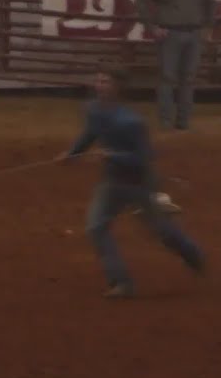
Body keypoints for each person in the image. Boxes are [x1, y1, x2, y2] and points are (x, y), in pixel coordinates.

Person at [58, 67, 205, 299]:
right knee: (96, 228)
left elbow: (144, 157)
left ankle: (193, 255)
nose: (99, 85)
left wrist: (112, 155)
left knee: (161, 231)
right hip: (113, 180)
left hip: (139, 183)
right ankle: (121, 282)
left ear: (118, 87)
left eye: (105, 81)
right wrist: (73, 153)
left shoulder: (132, 122)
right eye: (98, 81)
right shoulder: (93, 110)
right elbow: (90, 133)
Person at [136, 0, 216, 131]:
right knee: (169, 77)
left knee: (187, 78)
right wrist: (152, 27)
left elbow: (210, 3)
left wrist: (207, 27)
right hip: (170, 32)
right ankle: (166, 120)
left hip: (193, 32)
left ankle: (183, 120)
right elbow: (141, 1)